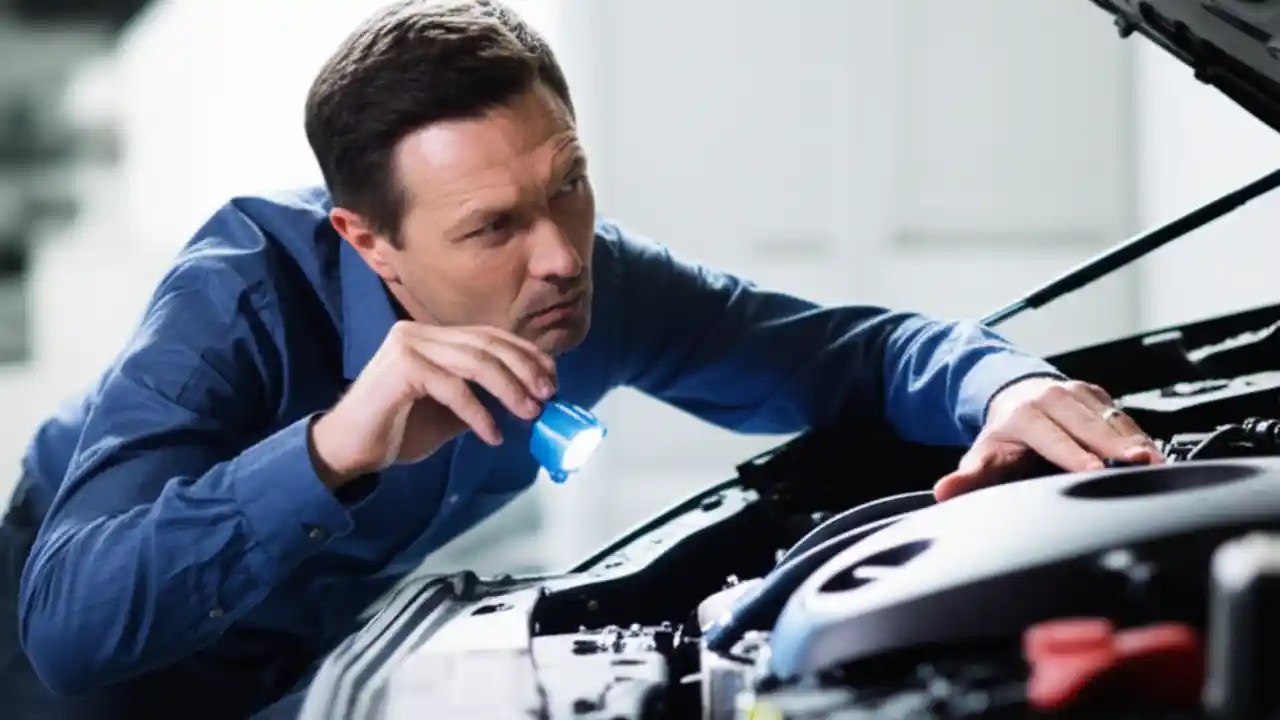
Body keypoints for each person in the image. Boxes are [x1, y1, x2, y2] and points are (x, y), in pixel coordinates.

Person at [0, 0, 1163, 716]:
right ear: (369, 243)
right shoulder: (235, 303)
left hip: (311, 677)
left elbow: (853, 357)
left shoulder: (587, 282)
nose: (559, 256)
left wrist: (1004, 386)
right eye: (492, 226)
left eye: (568, 182)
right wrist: (336, 444)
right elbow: (70, 634)